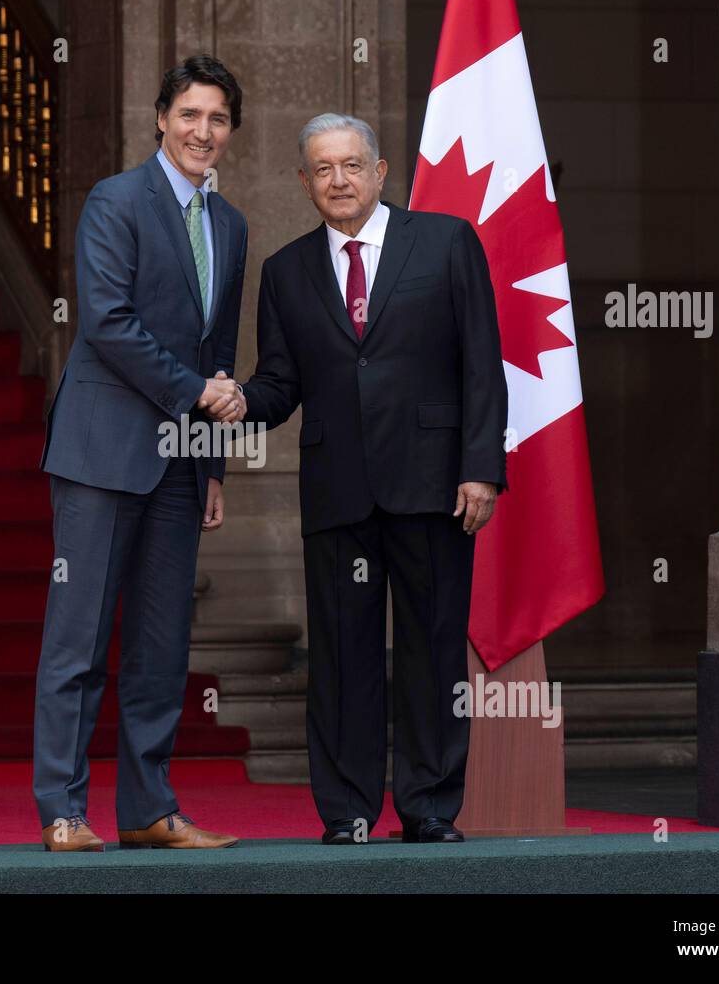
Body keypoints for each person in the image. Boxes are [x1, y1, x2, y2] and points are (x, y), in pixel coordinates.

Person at [209, 113, 507, 844]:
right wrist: (241, 400)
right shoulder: (285, 271)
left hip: (434, 485)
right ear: (304, 182)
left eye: (351, 166)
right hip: (339, 491)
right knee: (342, 659)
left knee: (433, 650)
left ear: (380, 173)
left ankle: (431, 806)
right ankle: (346, 811)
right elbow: (282, 383)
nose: (338, 180)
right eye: (322, 168)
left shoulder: (444, 242)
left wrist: (480, 469)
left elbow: (481, 362)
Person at [33, 55, 247, 851]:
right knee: (79, 638)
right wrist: (196, 394)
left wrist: (213, 458)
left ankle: (148, 809)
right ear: (161, 118)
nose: (202, 131)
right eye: (189, 114)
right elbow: (108, 324)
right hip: (102, 453)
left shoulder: (230, 223)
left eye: (218, 119)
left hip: (181, 460)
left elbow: (219, 347)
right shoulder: (115, 201)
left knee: (161, 645)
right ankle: (62, 809)